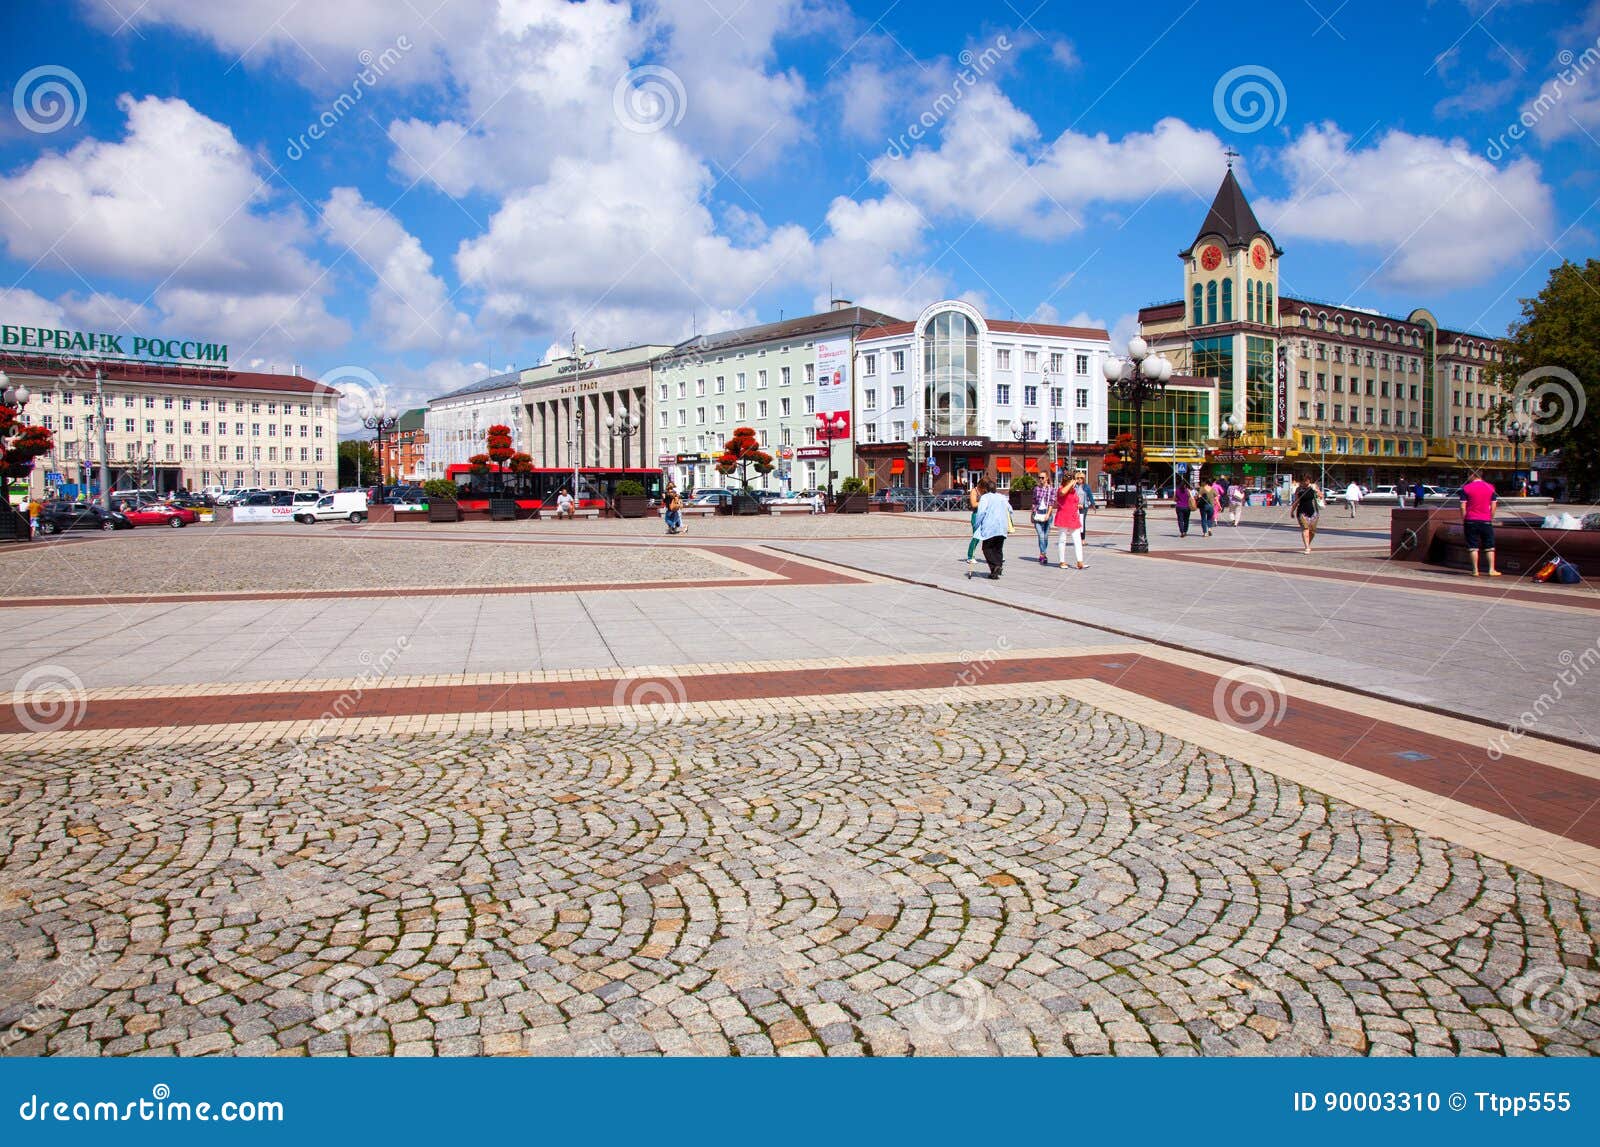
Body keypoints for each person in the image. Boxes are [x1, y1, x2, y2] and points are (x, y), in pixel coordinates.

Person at [1460, 469, 1501, 577]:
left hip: (1471, 520)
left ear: (1472, 475)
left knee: (1473, 546)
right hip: (1486, 520)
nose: (1467, 477)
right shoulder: (1490, 487)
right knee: (1490, 546)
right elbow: (1494, 506)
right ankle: (1491, 570)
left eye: (1468, 475)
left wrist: (1465, 518)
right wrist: (1490, 517)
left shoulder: (1466, 488)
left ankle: (1475, 570)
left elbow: (1462, 506)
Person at [972, 478, 1012, 579]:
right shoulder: (1002, 497)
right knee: (998, 549)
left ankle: (996, 566)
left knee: (987, 548)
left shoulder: (985, 498)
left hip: (989, 527)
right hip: (1002, 527)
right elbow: (1010, 509)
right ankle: (995, 571)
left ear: (986, 489)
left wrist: (976, 525)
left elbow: (981, 512)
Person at [1054, 474, 1085, 569]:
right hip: (1063, 517)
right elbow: (1062, 492)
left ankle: (1080, 561)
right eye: (1072, 481)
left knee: (1077, 540)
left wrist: (1078, 506)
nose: (1074, 483)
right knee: (1062, 539)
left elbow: (1073, 502)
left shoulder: (1074, 491)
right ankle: (1062, 561)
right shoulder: (1061, 489)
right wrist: (1070, 483)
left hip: (1073, 518)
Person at [1030, 470, 1059, 565]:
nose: (1040, 479)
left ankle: (1041, 554)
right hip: (1037, 514)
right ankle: (1043, 554)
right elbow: (1034, 502)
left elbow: (1051, 503)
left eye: (1042, 477)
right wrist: (1032, 514)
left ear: (1047, 478)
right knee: (1041, 536)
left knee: (1045, 536)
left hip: (1047, 514)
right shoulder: (1036, 489)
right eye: (1039, 477)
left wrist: (1048, 514)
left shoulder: (1051, 489)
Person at [1292, 473, 1321, 554]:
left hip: (1314, 512)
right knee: (1305, 529)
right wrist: (1292, 511)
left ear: (1309, 480)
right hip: (1302, 511)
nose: (1305, 482)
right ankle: (1307, 547)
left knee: (1312, 531)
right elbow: (1296, 501)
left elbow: (1321, 496)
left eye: (1307, 480)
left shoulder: (1314, 487)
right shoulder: (1299, 489)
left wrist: (1317, 492)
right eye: (1303, 481)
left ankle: (1307, 543)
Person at [965, 481, 983, 565]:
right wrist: (985, 502)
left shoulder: (985, 491)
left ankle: (996, 555)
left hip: (984, 515)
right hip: (976, 516)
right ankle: (970, 556)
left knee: (991, 536)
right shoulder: (974, 491)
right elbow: (974, 504)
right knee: (976, 536)